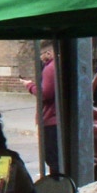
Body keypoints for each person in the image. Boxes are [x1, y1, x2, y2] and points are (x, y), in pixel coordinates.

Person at [23, 44, 58, 172]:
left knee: (51, 158)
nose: (41, 58)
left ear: (48, 53)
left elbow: (45, 93)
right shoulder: (57, 66)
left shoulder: (50, 68)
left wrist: (30, 86)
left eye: (42, 54)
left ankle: (57, 187)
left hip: (50, 119)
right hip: (55, 119)